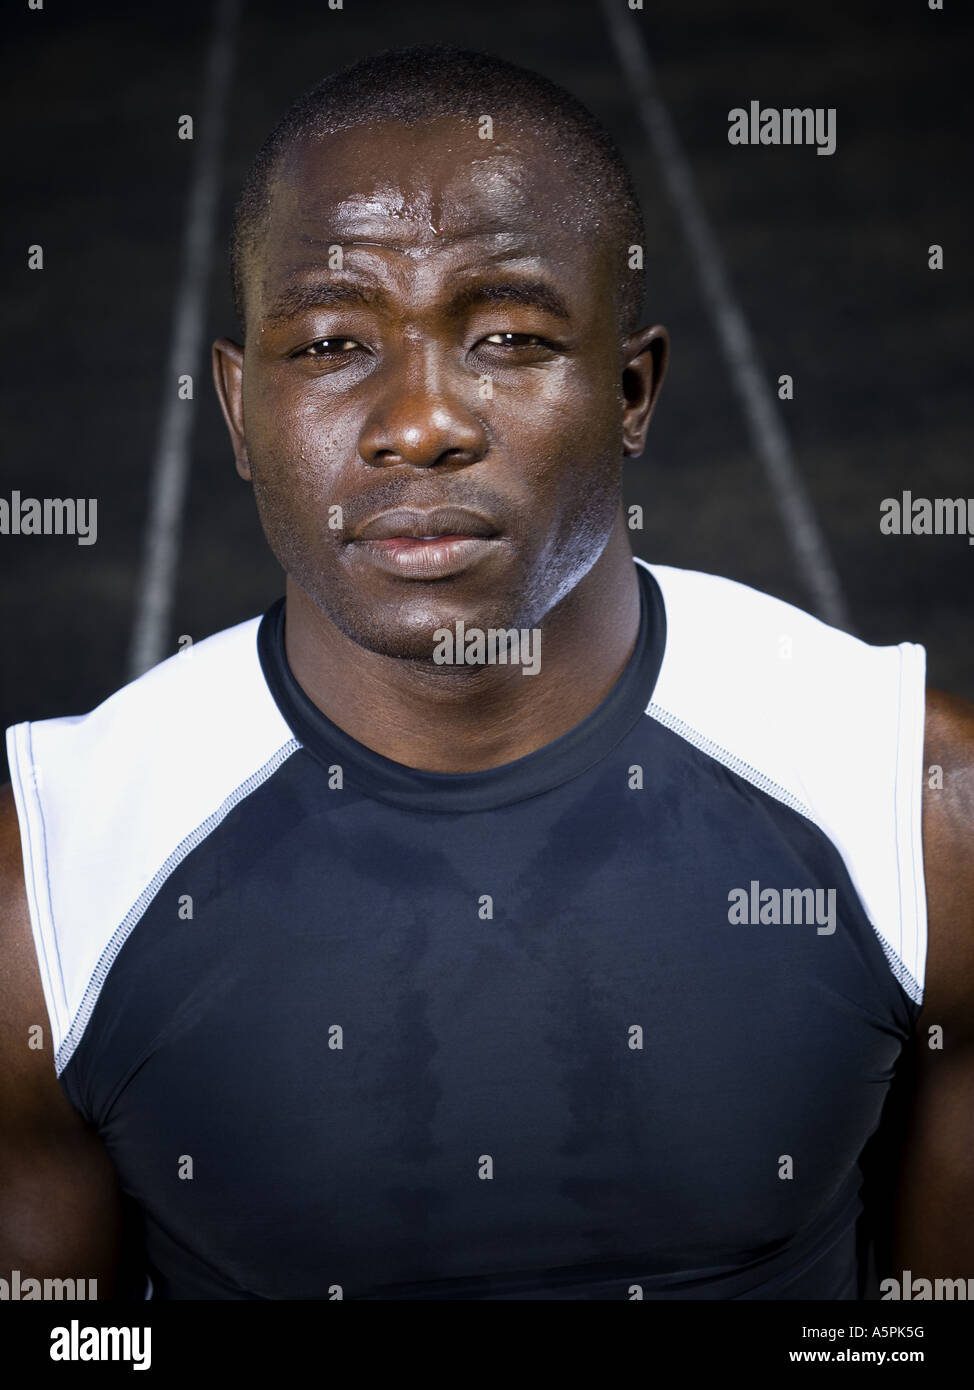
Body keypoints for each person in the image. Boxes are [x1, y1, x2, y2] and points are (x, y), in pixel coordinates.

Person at [1, 45, 972, 1301]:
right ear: (239, 415)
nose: (420, 421)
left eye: (508, 335)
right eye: (333, 343)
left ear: (630, 389)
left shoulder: (921, 813)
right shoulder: (49, 890)